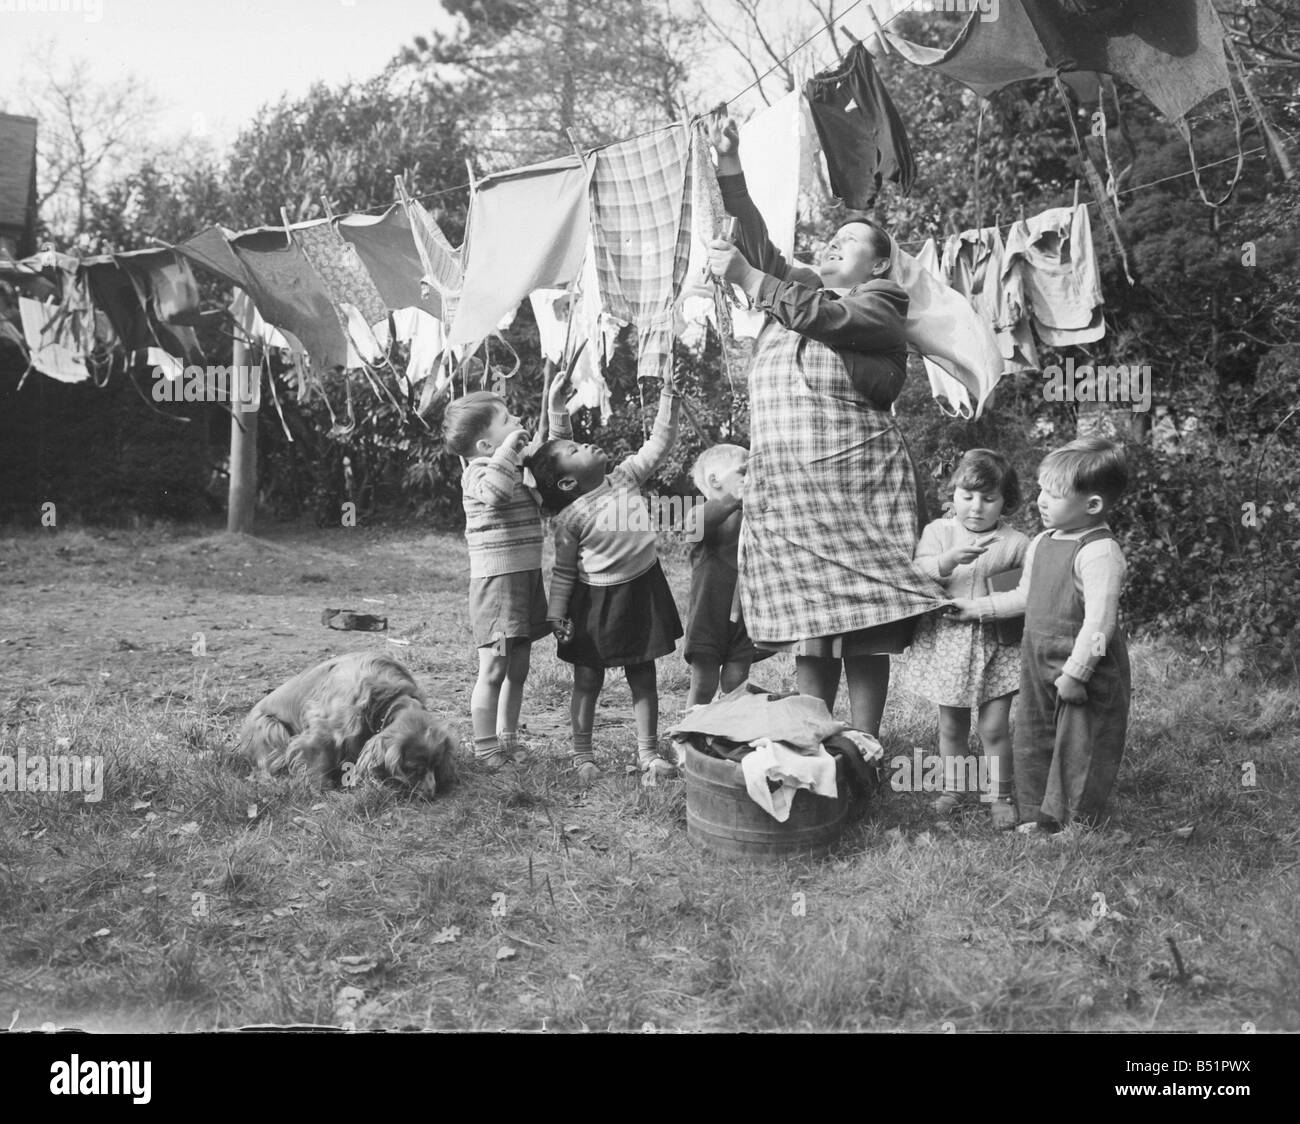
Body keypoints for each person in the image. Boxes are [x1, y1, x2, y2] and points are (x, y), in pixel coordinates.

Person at [705, 112, 945, 737]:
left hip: (856, 493)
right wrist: (730, 166)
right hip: (793, 497)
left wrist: (753, 280)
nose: (836, 242)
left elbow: (830, 322)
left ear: (879, 267)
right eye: (833, 236)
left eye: (853, 240)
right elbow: (754, 243)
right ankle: (816, 735)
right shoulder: (798, 290)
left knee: (864, 621)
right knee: (813, 624)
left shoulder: (881, 303)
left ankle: (864, 741)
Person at [952, 437, 1131, 833]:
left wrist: (1077, 673)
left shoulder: (1099, 552)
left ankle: (1077, 823)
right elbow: (1025, 596)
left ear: (1093, 505)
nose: (1042, 501)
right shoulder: (1043, 542)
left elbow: (1100, 623)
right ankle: (1040, 814)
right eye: (1041, 491)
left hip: (1082, 665)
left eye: (1055, 494)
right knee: (1036, 736)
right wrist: (977, 609)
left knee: (1080, 745)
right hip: (1038, 656)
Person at [525, 381, 683, 784]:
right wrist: (556, 614)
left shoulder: (625, 477)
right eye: (577, 449)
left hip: (642, 591)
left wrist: (669, 401)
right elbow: (562, 573)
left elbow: (658, 443)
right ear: (566, 485)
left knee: (644, 675)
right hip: (595, 602)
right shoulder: (571, 518)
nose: (587, 444)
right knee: (588, 678)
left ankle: (648, 753)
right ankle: (583, 757)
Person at [442, 365, 574, 773]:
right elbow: (496, 497)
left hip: (525, 577)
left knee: (519, 666)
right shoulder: (479, 474)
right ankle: (484, 748)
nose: (517, 420)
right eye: (506, 419)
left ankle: (507, 738)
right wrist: (507, 454)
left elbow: (558, 457)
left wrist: (556, 408)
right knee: (494, 667)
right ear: (485, 444)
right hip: (497, 583)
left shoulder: (512, 464)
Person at [894, 449, 1029, 829]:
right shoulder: (939, 532)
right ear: (953, 493)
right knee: (951, 726)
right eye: (967, 496)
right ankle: (953, 787)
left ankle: (999, 795)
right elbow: (917, 572)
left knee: (993, 727)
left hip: (996, 646)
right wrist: (948, 559)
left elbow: (1027, 592)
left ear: (1005, 502)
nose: (976, 507)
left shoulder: (1016, 542)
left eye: (989, 498)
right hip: (948, 645)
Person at [683, 443, 766, 707]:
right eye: (743, 471)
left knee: (737, 678)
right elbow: (694, 527)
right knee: (704, 682)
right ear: (714, 480)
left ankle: (727, 731)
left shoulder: (752, 517)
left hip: (743, 615)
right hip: (707, 616)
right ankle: (689, 734)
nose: (750, 477)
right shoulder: (703, 514)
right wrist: (733, 499)